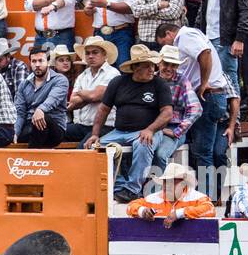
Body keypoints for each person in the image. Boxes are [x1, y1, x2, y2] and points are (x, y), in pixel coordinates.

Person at [85, 44, 173, 203]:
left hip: (148, 130)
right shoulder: (118, 82)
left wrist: (150, 129)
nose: (151, 70)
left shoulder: (159, 84)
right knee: (95, 148)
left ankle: (132, 189)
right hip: (119, 132)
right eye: (147, 66)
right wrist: (95, 134)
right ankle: (119, 187)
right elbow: (103, 109)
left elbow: (167, 113)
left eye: (153, 66)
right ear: (135, 68)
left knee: (143, 143)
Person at [156, 21, 229, 172]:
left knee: (202, 153)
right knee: (209, 152)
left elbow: (205, 52)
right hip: (215, 95)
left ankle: (207, 194)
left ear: (169, 34)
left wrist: (204, 83)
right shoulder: (193, 33)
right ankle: (212, 192)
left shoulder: (184, 36)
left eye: (164, 43)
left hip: (208, 96)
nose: (167, 47)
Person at [153, 44, 201, 169]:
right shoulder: (151, 78)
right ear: (159, 63)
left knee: (161, 154)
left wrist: (177, 131)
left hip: (173, 126)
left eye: (173, 65)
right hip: (151, 126)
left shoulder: (182, 80)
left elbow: (196, 109)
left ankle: (159, 188)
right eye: (166, 64)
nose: (169, 68)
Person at [66, 37, 117, 143]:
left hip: (105, 126)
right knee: (53, 133)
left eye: (95, 52)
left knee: (83, 149)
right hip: (80, 126)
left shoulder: (112, 73)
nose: (90, 56)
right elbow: (73, 102)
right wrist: (91, 96)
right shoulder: (82, 75)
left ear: (104, 55)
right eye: (88, 53)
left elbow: (95, 96)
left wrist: (81, 93)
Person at [14, 47, 68, 148]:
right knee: (9, 132)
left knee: (42, 119)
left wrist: (40, 110)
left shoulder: (60, 80)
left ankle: (31, 156)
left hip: (54, 128)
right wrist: (15, 132)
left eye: (41, 61)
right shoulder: (24, 84)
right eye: (34, 61)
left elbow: (53, 99)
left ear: (48, 62)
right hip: (30, 127)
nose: (37, 65)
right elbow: (20, 112)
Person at [126, 163, 216, 223]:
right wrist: (142, 211)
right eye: (166, 181)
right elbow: (130, 206)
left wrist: (179, 213)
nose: (167, 185)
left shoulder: (197, 197)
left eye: (173, 182)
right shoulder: (153, 198)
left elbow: (210, 209)